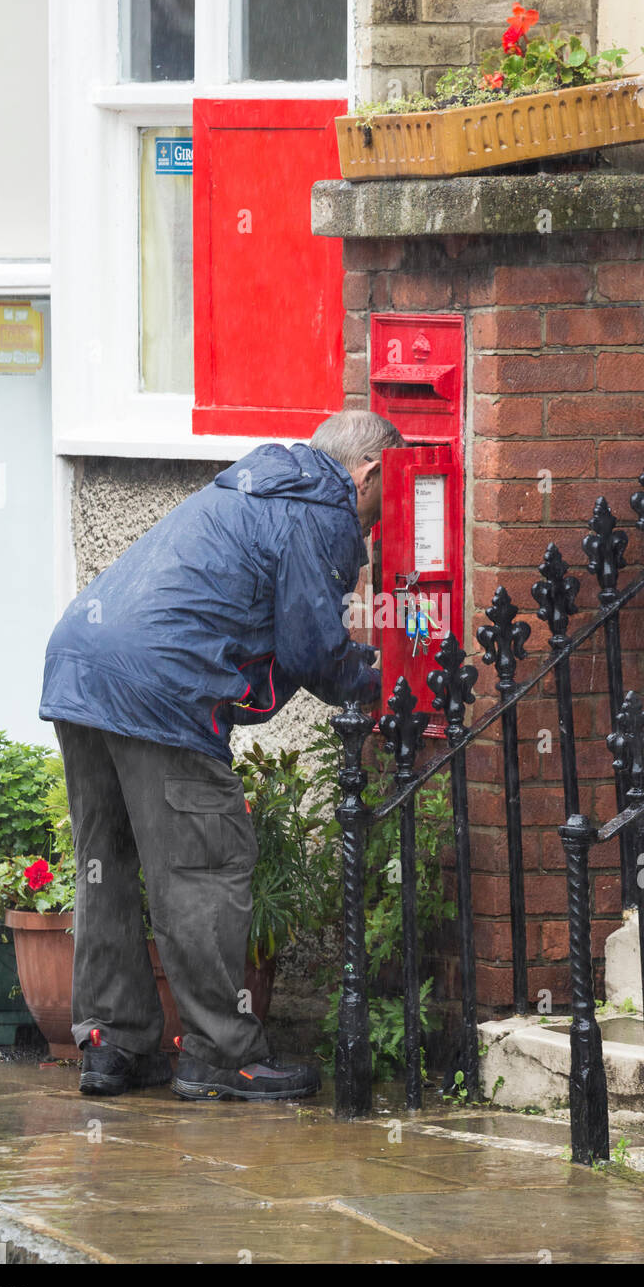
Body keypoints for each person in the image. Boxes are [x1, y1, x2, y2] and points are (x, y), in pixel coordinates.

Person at [39, 410, 405, 1101]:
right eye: (387, 500)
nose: (379, 524)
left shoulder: (249, 486)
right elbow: (312, 652)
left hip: (78, 667)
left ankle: (113, 1046)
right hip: (160, 687)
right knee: (204, 863)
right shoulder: (320, 507)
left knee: (105, 863)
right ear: (370, 474)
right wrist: (393, 677)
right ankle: (220, 1052)